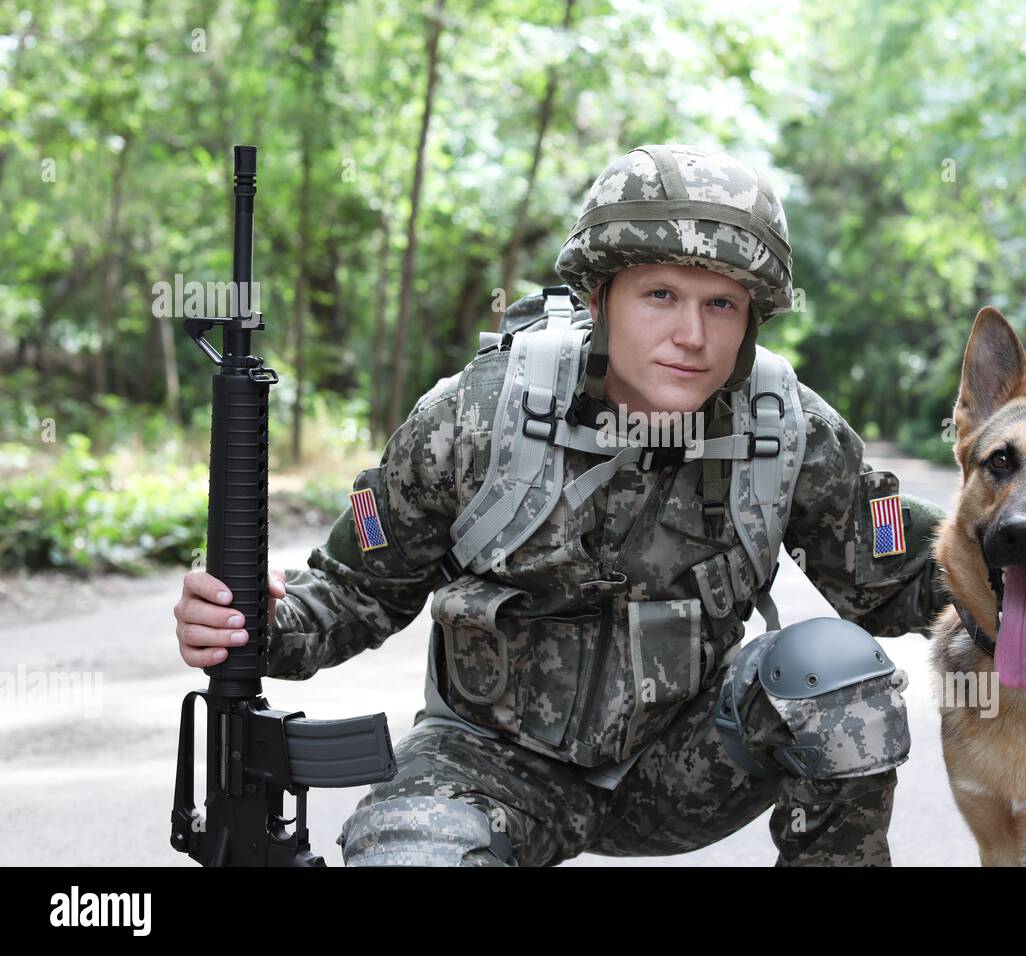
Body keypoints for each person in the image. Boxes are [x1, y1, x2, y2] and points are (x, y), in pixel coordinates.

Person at [174, 143, 949, 866]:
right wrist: (254, 622)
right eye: (660, 295)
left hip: (686, 769)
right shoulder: (475, 415)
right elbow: (354, 592)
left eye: (722, 305)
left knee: (835, 671)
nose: (691, 335)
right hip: (490, 767)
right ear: (598, 296)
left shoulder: (785, 427)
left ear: (750, 323)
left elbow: (913, 578)